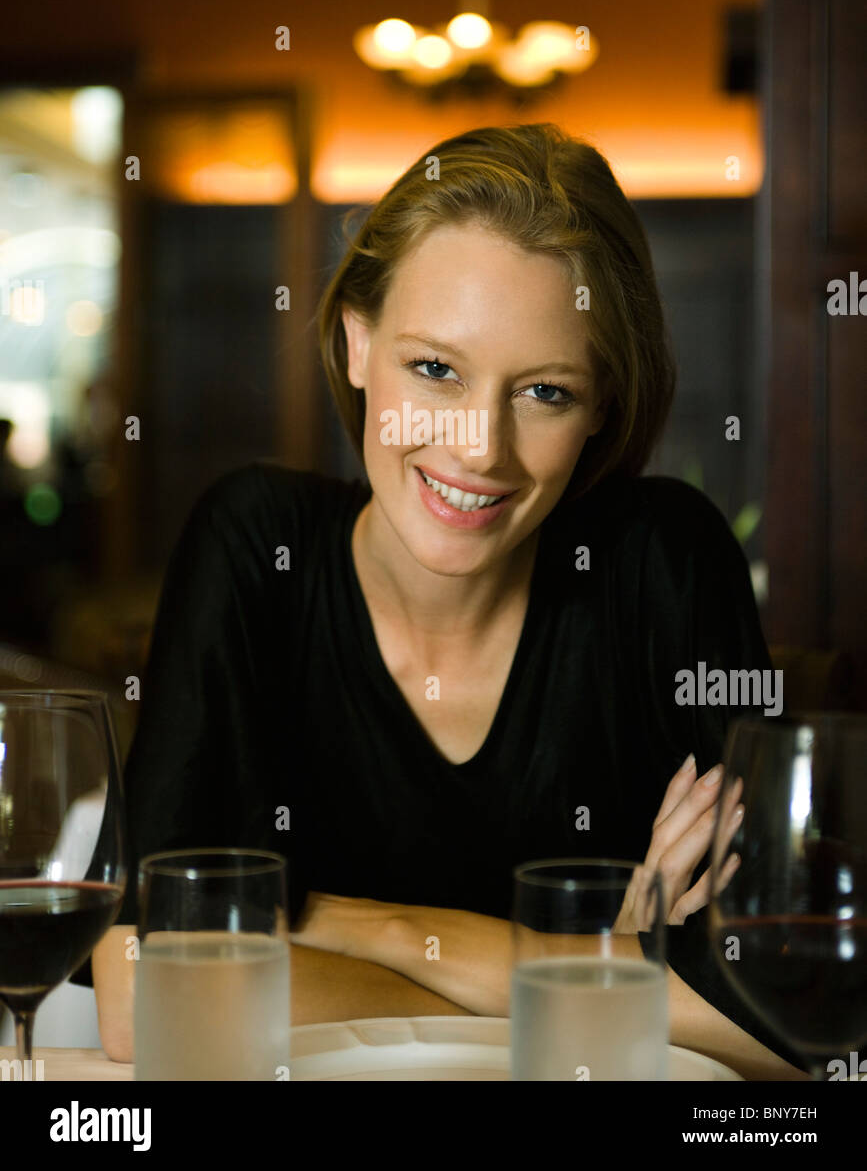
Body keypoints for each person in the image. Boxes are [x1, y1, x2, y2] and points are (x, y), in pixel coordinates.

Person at [90, 123, 807, 1078]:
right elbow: (147, 992)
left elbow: (787, 1013)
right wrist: (603, 972)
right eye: (434, 369)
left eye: (545, 391)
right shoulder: (255, 543)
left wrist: (353, 926)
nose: (478, 448)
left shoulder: (660, 559)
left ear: (599, 413)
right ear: (355, 343)